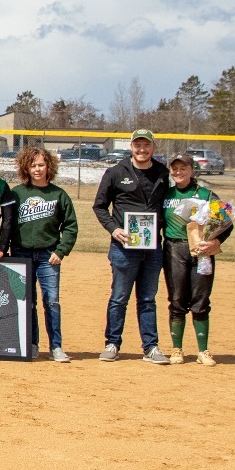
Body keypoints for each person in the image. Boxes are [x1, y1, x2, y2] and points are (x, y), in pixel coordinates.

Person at [93, 128, 172, 364]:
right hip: (123, 246)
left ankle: (151, 347)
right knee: (119, 297)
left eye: (146, 145)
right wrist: (113, 228)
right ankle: (112, 343)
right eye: (137, 145)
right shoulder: (116, 172)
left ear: (153, 147)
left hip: (152, 247)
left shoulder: (162, 172)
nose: (142, 149)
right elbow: (99, 206)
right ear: (131, 147)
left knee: (148, 298)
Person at [161, 152, 234, 365]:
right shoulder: (166, 195)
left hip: (202, 252)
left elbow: (226, 221)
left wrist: (215, 242)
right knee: (177, 300)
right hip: (175, 249)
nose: (178, 172)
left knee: (200, 300)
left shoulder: (206, 194)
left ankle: (203, 351)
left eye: (183, 168)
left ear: (192, 170)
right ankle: (177, 349)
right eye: (174, 168)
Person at [10, 145, 77, 362]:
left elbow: (70, 226)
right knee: (28, 301)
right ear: (26, 168)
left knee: (52, 301)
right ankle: (32, 343)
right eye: (33, 165)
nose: (37, 169)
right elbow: (8, 224)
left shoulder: (58, 194)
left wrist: (61, 250)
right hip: (22, 253)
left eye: (41, 165)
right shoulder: (18, 193)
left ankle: (56, 347)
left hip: (49, 255)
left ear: (48, 166)